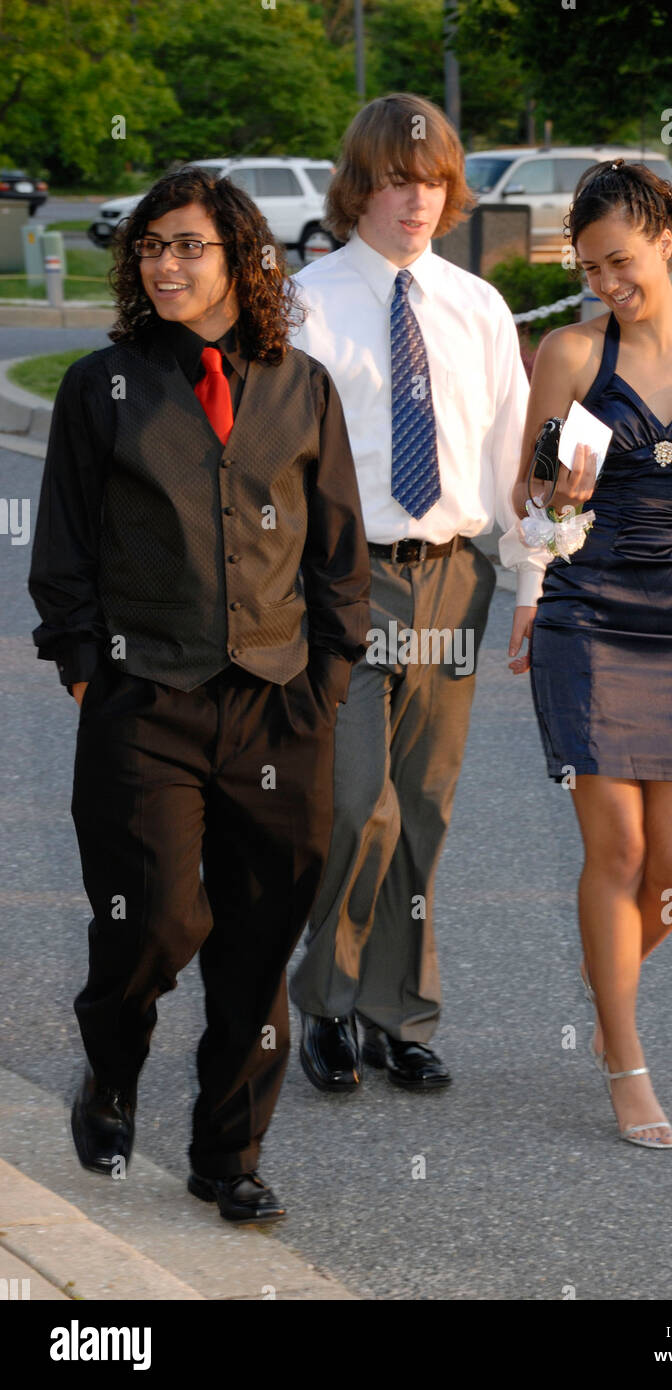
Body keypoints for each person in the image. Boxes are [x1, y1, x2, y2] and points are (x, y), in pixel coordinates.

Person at [28, 166, 370, 1218]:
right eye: (150, 247)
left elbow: (338, 552)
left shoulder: (299, 386)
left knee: (258, 942)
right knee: (155, 921)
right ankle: (114, 1061)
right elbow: (67, 544)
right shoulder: (105, 385)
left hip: (278, 703)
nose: (164, 263)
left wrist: (325, 681)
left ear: (239, 258)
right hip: (146, 702)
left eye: (188, 246)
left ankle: (229, 1154)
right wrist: (88, 669)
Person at [289, 93, 540, 1092]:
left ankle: (397, 1013)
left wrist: (529, 577)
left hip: (450, 578)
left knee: (423, 806)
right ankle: (322, 1002)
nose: (417, 199)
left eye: (432, 179)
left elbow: (510, 453)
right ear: (359, 182)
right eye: (397, 178)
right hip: (341, 583)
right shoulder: (306, 301)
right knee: (358, 806)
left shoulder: (477, 306)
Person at [514, 159, 672, 1148]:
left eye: (619, 261)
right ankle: (623, 1059)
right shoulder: (570, 353)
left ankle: (603, 971)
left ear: (666, 236)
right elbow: (529, 499)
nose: (605, 282)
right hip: (588, 617)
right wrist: (557, 491)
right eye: (587, 268)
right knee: (613, 852)